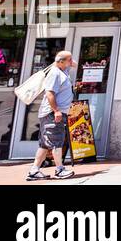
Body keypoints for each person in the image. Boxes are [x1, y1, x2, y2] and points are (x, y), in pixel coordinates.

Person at [26, 50, 75, 181]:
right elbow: (50, 93)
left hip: (53, 113)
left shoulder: (62, 70)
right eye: (69, 60)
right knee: (56, 141)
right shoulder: (55, 73)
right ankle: (59, 170)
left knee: (44, 144)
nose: (72, 62)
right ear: (61, 62)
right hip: (52, 113)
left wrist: (67, 60)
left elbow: (73, 64)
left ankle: (34, 170)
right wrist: (56, 110)